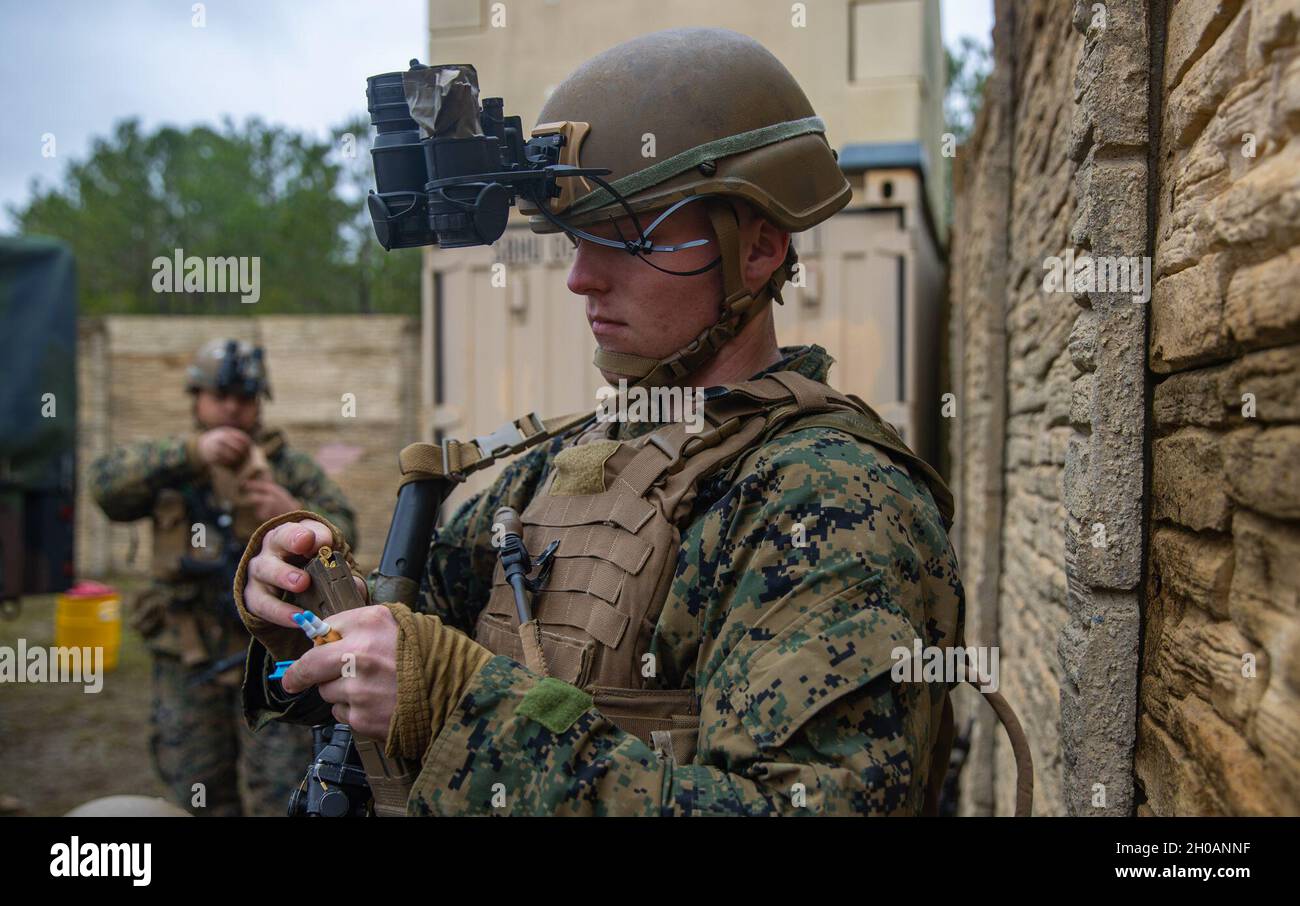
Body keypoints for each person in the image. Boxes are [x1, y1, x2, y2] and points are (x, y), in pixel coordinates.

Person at [235, 28, 964, 816]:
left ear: (757, 249)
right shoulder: (560, 465)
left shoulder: (827, 502)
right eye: (578, 240)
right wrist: (310, 606)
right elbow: (404, 650)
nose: (581, 278)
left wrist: (458, 706)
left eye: (630, 237)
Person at [91, 338, 357, 816]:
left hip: (271, 660)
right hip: (187, 658)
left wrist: (289, 512)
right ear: (197, 399)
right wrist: (192, 454)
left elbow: (345, 532)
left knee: (283, 789)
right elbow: (106, 488)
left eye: (245, 398)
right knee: (195, 786)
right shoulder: (172, 464)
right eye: (220, 396)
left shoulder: (285, 468)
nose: (232, 409)